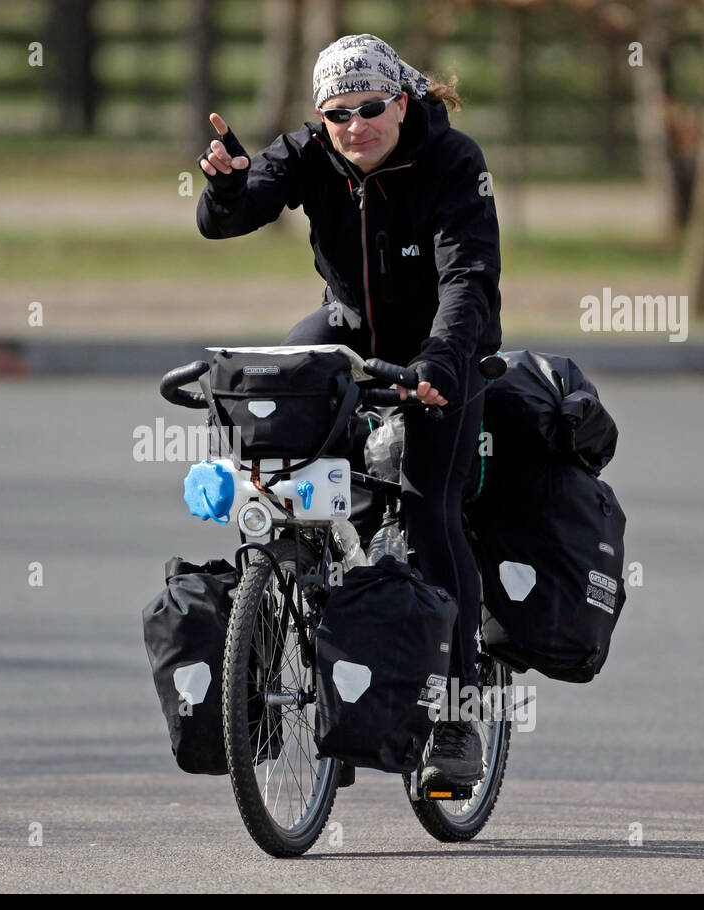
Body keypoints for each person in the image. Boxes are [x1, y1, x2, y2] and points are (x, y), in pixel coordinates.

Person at [195, 33, 501, 787]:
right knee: (272, 422)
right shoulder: (311, 152)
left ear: (401, 100)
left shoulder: (452, 161)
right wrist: (231, 187)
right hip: (348, 329)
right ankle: (282, 636)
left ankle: (458, 719)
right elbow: (228, 219)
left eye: (370, 107)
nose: (354, 125)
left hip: (443, 348)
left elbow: (467, 282)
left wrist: (436, 364)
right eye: (338, 113)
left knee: (430, 513)